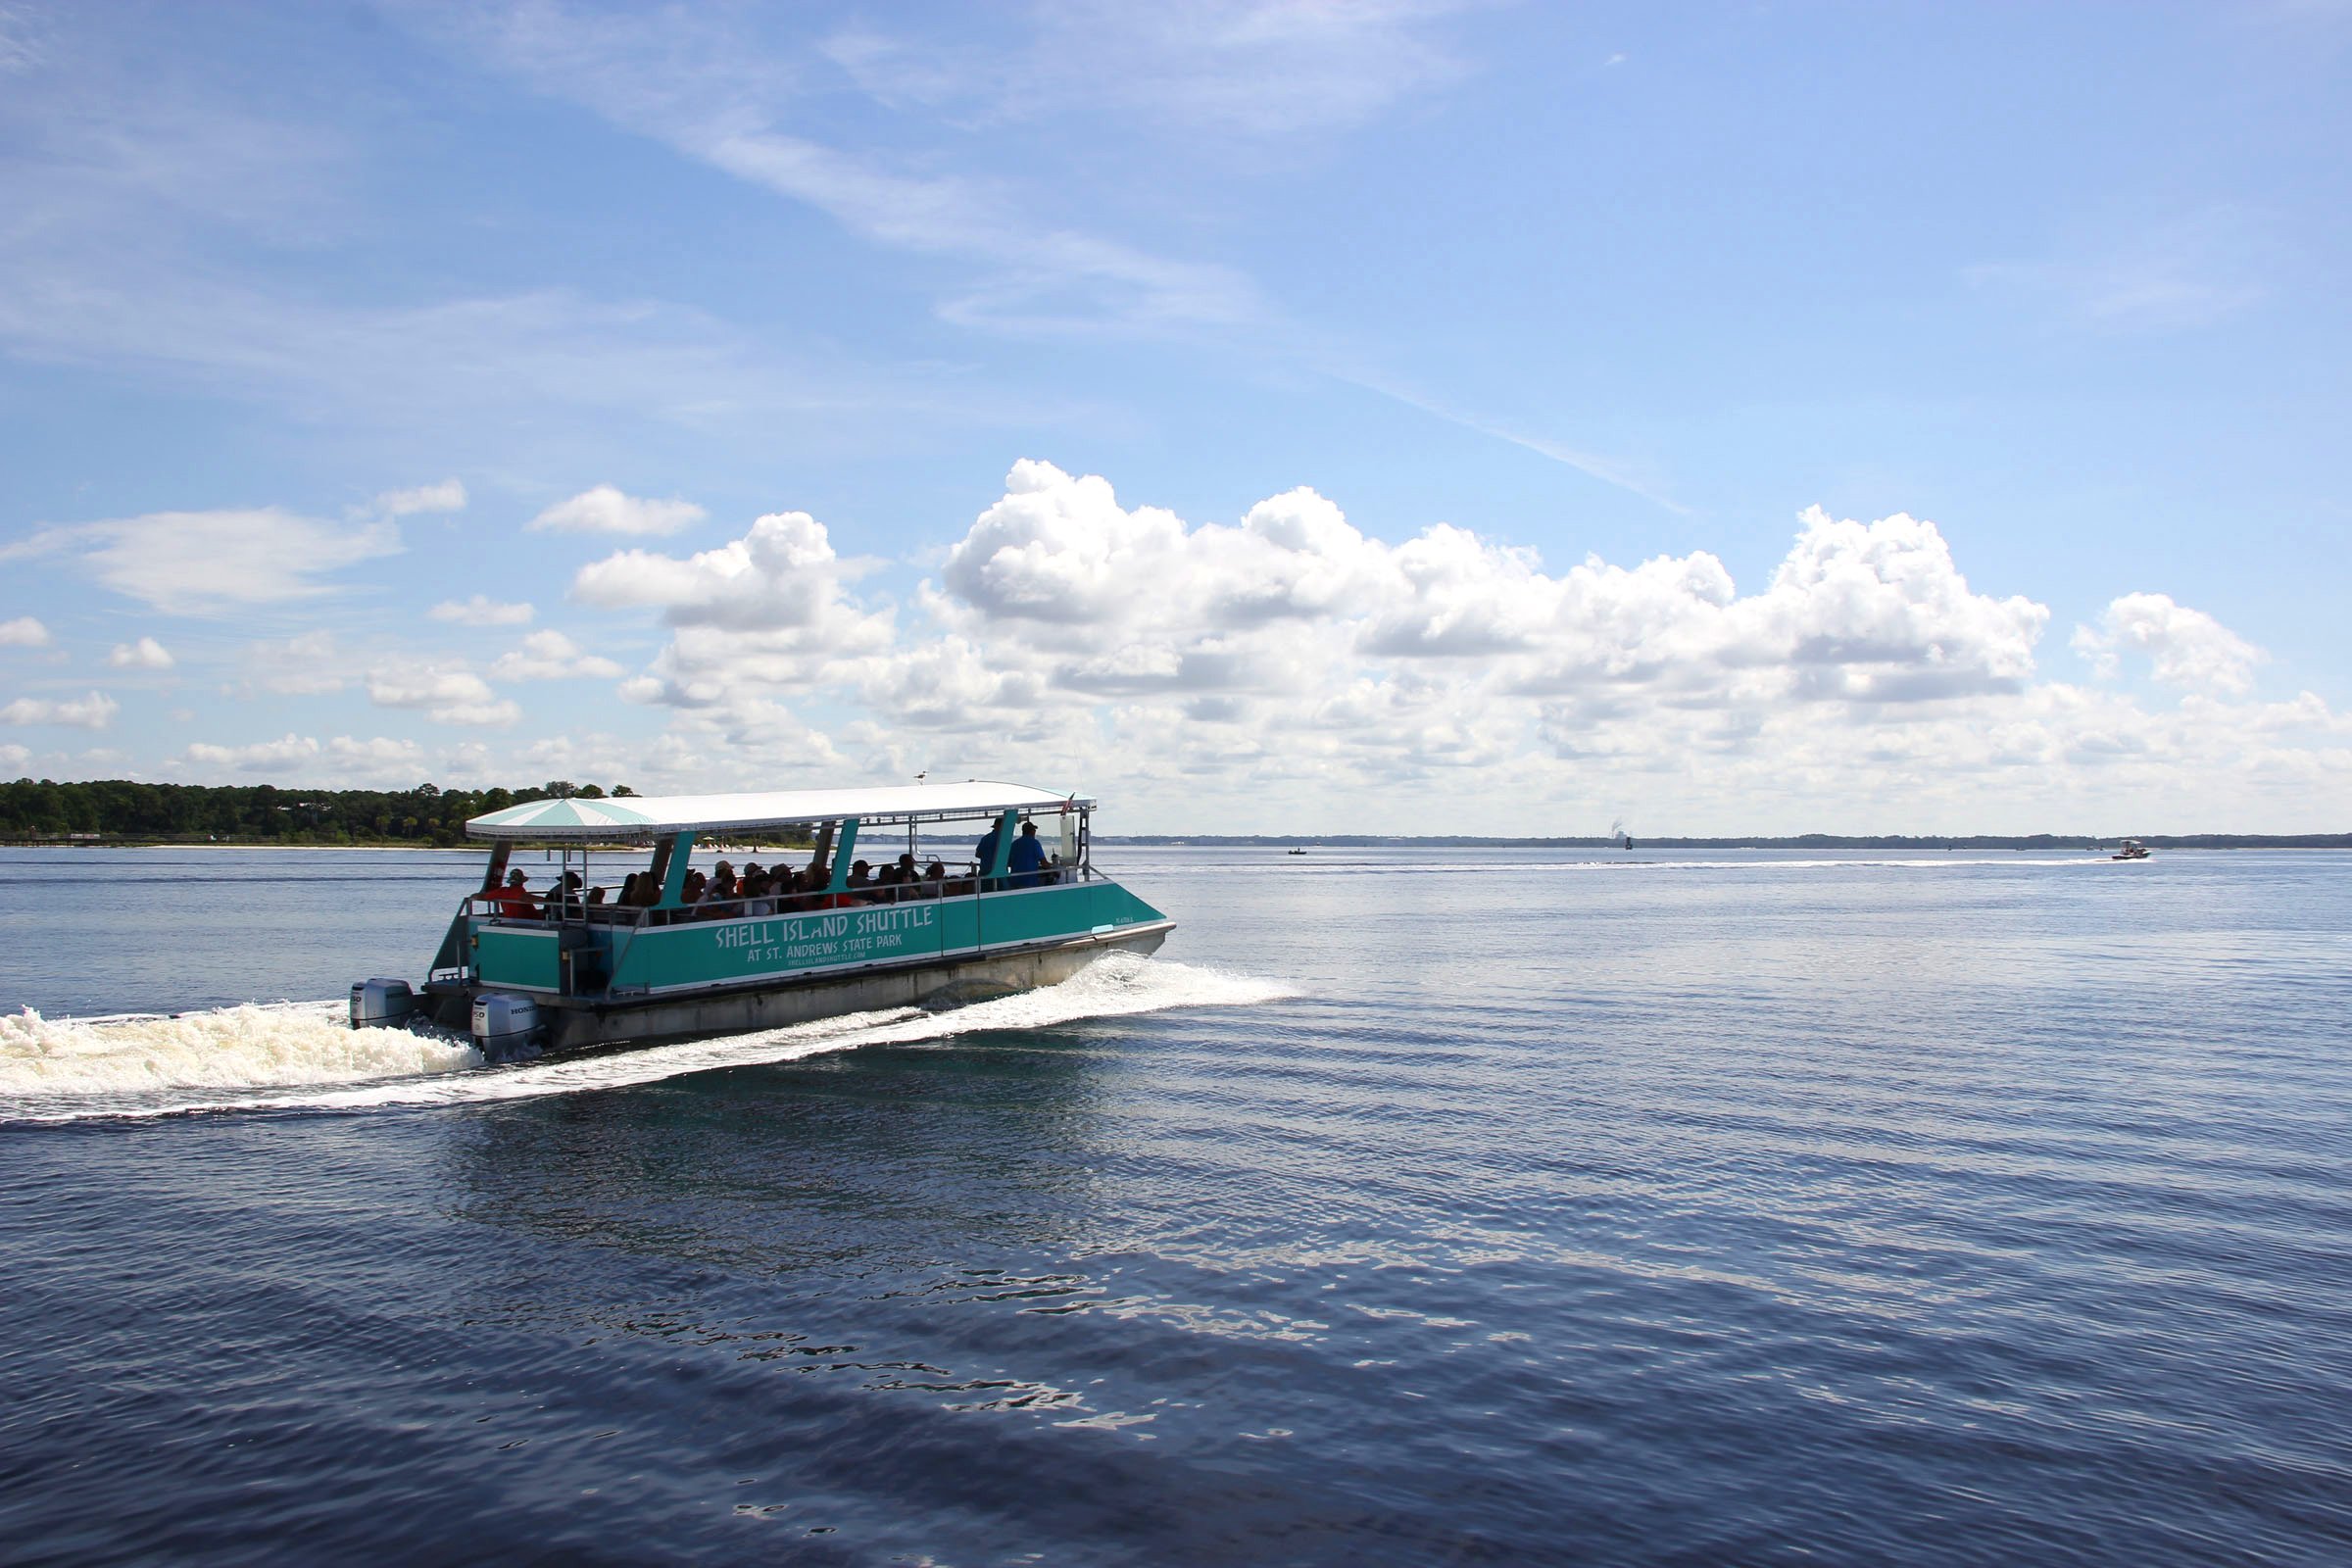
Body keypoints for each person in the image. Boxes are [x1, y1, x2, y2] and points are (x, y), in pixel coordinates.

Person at [1007, 820, 1048, 888]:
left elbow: (1009, 863)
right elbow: (1044, 864)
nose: (1035, 832)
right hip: (1029, 881)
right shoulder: (1035, 843)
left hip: (1014, 881)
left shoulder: (1014, 844)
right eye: (1034, 830)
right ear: (1032, 831)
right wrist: (1054, 867)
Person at [973, 817, 1004, 886]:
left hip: (984, 872)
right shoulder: (1003, 839)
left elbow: (977, 854)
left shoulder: (985, 838)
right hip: (998, 874)